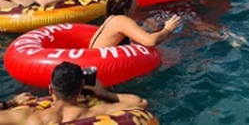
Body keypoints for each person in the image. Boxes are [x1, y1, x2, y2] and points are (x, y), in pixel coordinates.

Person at [0, 61, 148, 124]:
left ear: (51, 89)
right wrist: (104, 93)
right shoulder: (91, 113)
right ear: (80, 89)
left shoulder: (26, 116)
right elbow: (140, 102)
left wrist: (11, 102)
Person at [89, 0, 181, 48]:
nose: (137, 5)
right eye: (134, 3)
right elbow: (150, 41)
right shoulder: (122, 20)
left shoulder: (111, 19)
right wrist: (168, 29)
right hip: (101, 65)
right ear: (126, 9)